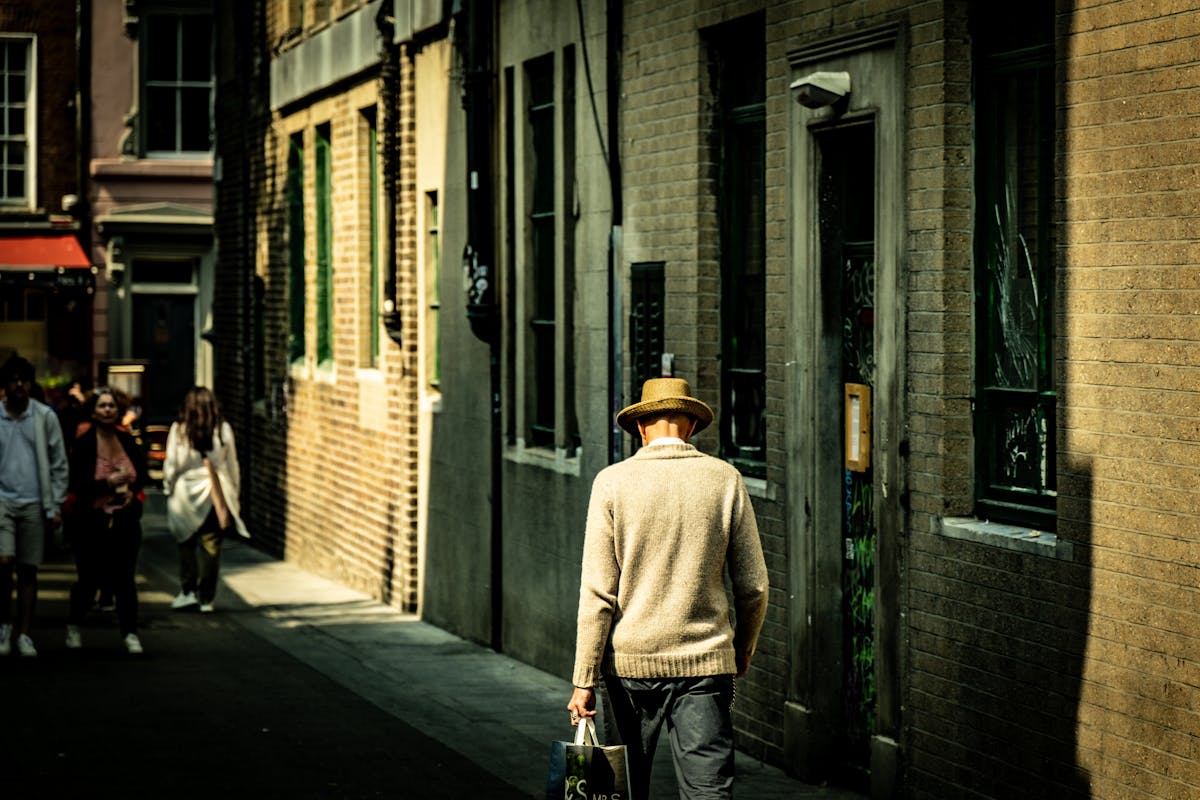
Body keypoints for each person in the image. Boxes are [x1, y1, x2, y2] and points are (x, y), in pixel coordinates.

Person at [567, 377, 770, 800]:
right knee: (708, 790)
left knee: (620, 790)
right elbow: (753, 586)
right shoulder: (725, 479)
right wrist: (742, 647)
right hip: (705, 664)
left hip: (627, 667)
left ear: (641, 428)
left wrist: (584, 677)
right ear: (691, 426)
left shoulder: (612, 483)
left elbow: (598, 594)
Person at [65, 387, 148, 654]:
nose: (108, 410)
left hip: (124, 521)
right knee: (88, 579)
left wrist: (133, 497)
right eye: (102, 406)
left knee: (124, 579)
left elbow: (142, 475)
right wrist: (105, 483)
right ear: (93, 411)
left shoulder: (128, 442)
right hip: (91, 522)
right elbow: (76, 483)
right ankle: (74, 626)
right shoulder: (84, 444)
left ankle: (130, 634)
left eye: (112, 405)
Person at [0, 356, 69, 658]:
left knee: (28, 570)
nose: (19, 385)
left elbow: (58, 462)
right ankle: (4, 625)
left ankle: (24, 633)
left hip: (34, 503)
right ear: (5, 385)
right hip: (2, 501)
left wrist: (54, 504)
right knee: (4, 563)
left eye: (24, 380)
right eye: (14, 380)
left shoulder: (43, 417)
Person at [163, 386, 247, 613]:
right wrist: (234, 493)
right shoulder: (223, 429)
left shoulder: (179, 429)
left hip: (184, 493)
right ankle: (206, 598)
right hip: (213, 491)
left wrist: (168, 486)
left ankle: (187, 591)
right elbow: (232, 465)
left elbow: (172, 464)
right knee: (211, 545)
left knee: (186, 543)